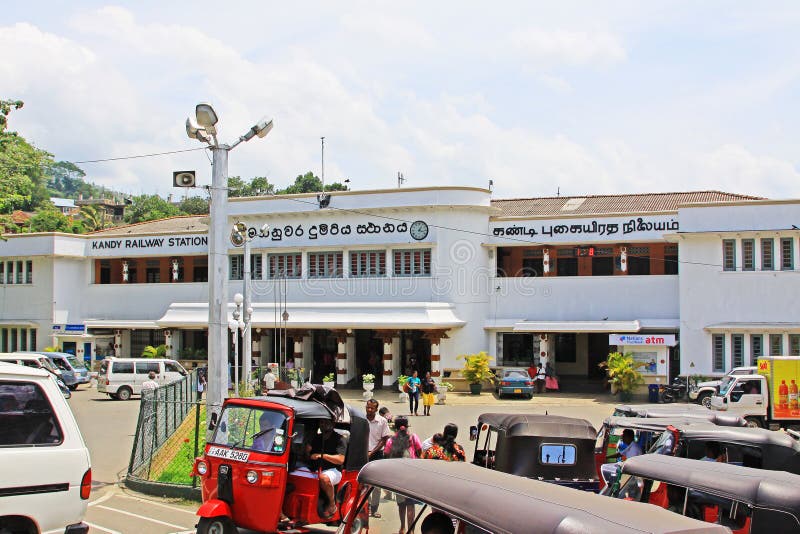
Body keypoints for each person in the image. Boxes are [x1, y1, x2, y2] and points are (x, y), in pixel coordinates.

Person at [384, 416, 422, 534]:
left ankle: (402, 527)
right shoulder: (413, 437)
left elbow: (386, 455)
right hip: (413, 476)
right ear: (407, 426)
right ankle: (411, 530)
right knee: (411, 504)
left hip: (398, 477)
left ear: (395, 427)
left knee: (401, 504)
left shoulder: (391, 440)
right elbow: (420, 452)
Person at [306, 419, 347, 519]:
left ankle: (332, 505)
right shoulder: (316, 438)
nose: (322, 425)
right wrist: (307, 451)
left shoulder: (340, 439)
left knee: (324, 478)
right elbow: (308, 454)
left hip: (333, 470)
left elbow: (340, 460)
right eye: (321, 422)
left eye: (325, 422)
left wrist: (322, 456)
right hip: (314, 469)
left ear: (332, 424)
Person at [366, 399, 390, 518]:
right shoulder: (361, 420)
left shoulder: (382, 421)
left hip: (376, 454)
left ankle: (374, 509)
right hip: (363, 454)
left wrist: (372, 452)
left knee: (375, 485)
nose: (369, 410)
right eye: (368, 407)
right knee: (364, 483)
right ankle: (366, 508)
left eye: (372, 408)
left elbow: (384, 439)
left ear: (376, 409)